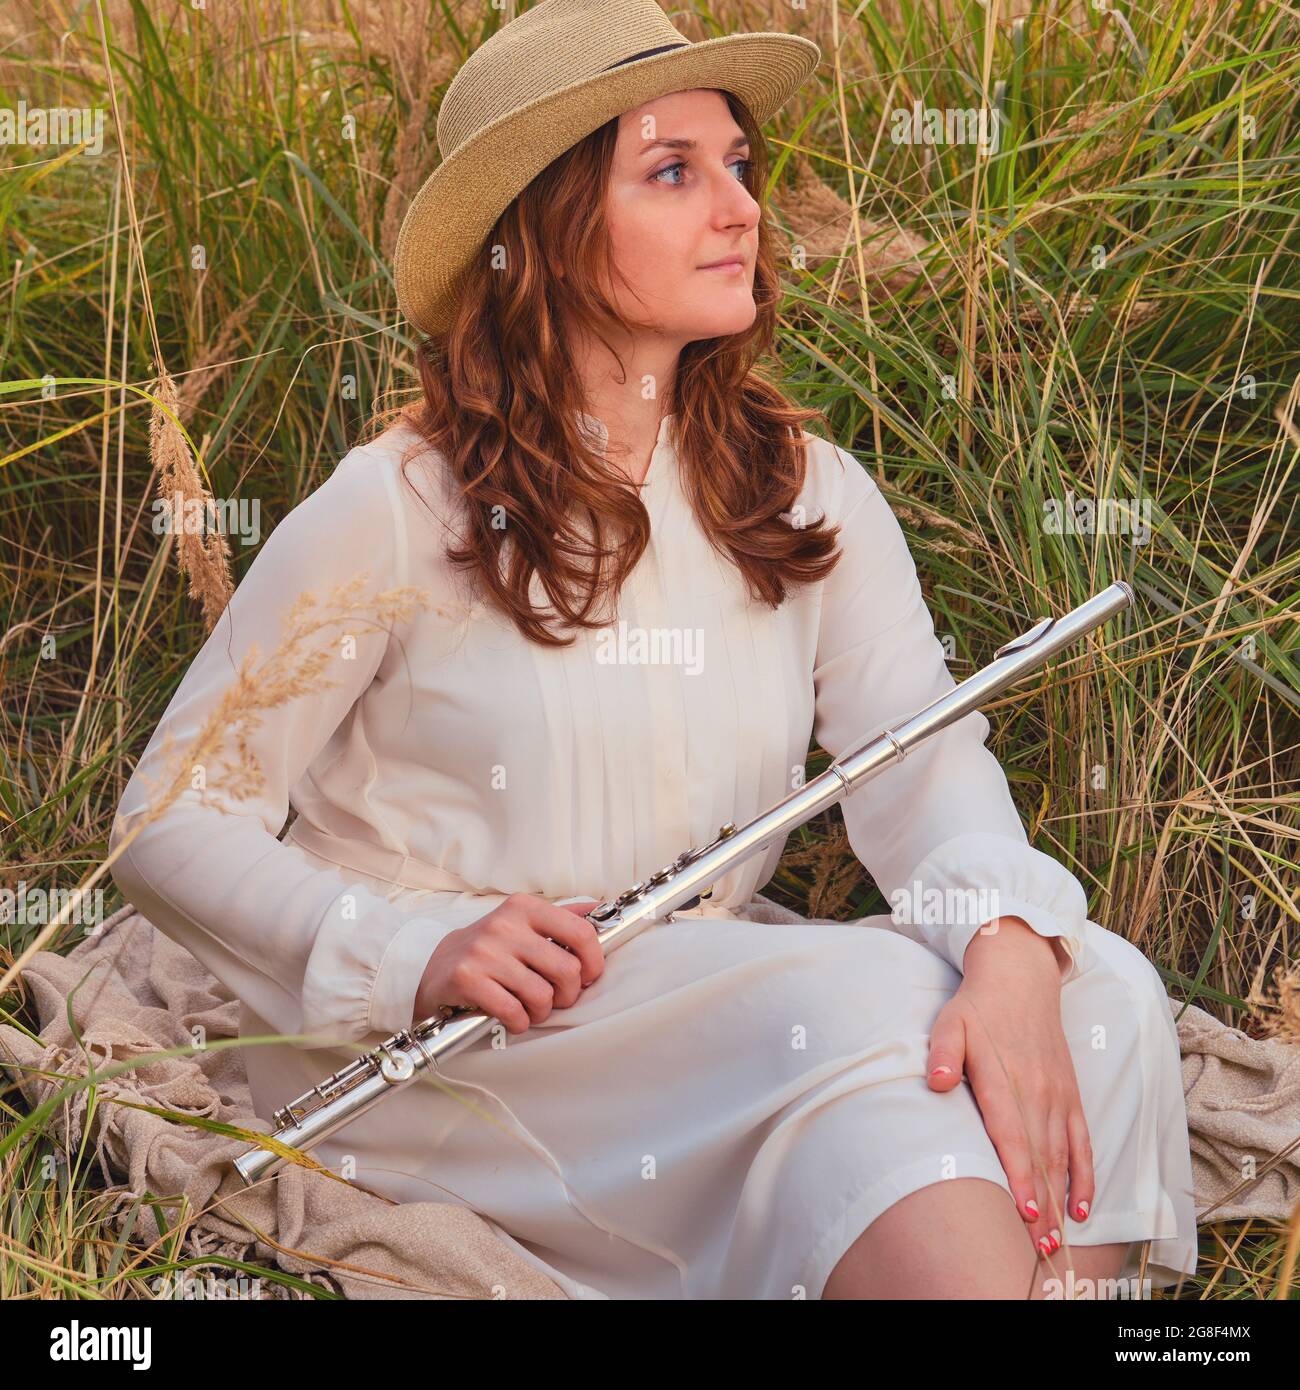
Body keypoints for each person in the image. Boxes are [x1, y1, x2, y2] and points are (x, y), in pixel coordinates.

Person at [109, 0, 1198, 1299]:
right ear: (548, 233)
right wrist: (411, 949)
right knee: (868, 1010)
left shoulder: (810, 492)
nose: (739, 206)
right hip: (453, 1049)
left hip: (700, 1008)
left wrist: (1011, 937)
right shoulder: (393, 506)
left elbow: (921, 772)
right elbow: (165, 825)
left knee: (1106, 992)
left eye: (736, 164)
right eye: (672, 172)